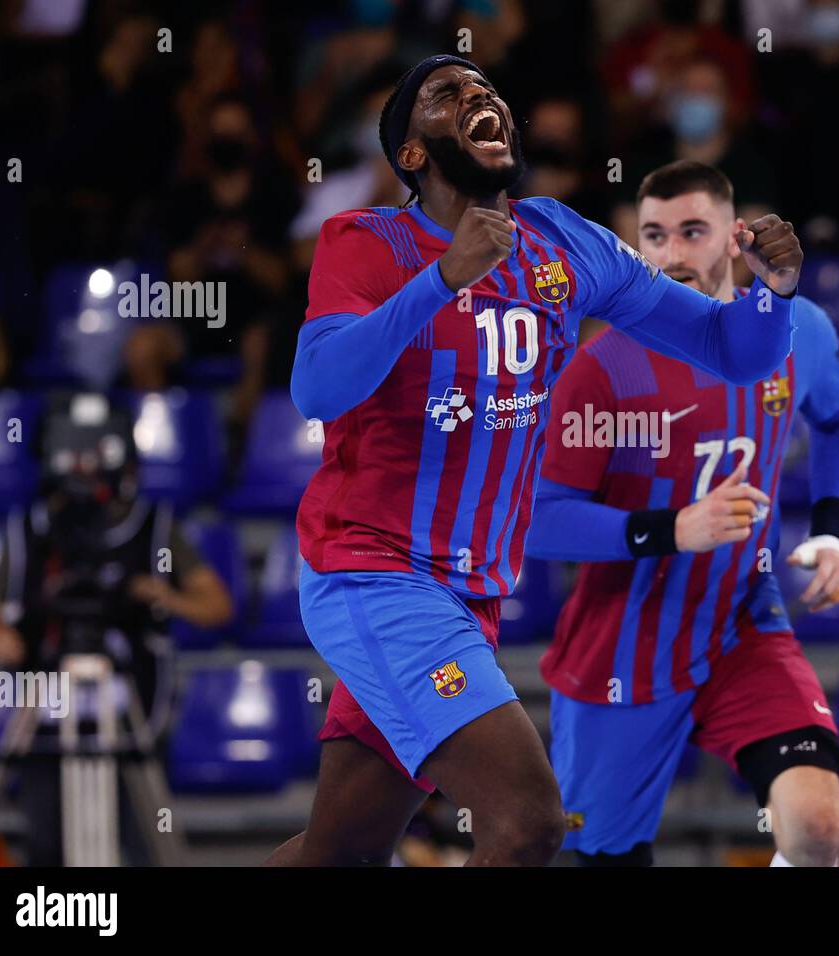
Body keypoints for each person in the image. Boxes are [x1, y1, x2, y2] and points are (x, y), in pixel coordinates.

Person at [267, 55, 804, 866]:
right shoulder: (366, 242)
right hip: (374, 575)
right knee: (527, 819)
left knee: (338, 854)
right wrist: (442, 281)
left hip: (466, 595)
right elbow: (317, 387)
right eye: (448, 96)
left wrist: (770, 292)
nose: (481, 98)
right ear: (411, 155)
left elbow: (730, 349)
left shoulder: (563, 239)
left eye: (488, 91)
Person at [525, 160, 839, 867]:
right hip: (623, 642)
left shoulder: (795, 328)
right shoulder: (602, 366)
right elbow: (541, 519)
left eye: (692, 231)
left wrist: (833, 532)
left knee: (817, 828)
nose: (672, 253)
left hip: (743, 619)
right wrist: (675, 528)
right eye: (653, 235)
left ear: (733, 238)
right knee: (601, 857)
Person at [0, 393, 234, 864]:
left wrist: (161, 595)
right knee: (45, 845)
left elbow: (217, 605)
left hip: (129, 708)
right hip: (45, 706)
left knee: (141, 843)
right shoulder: (30, 529)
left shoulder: (155, 527)